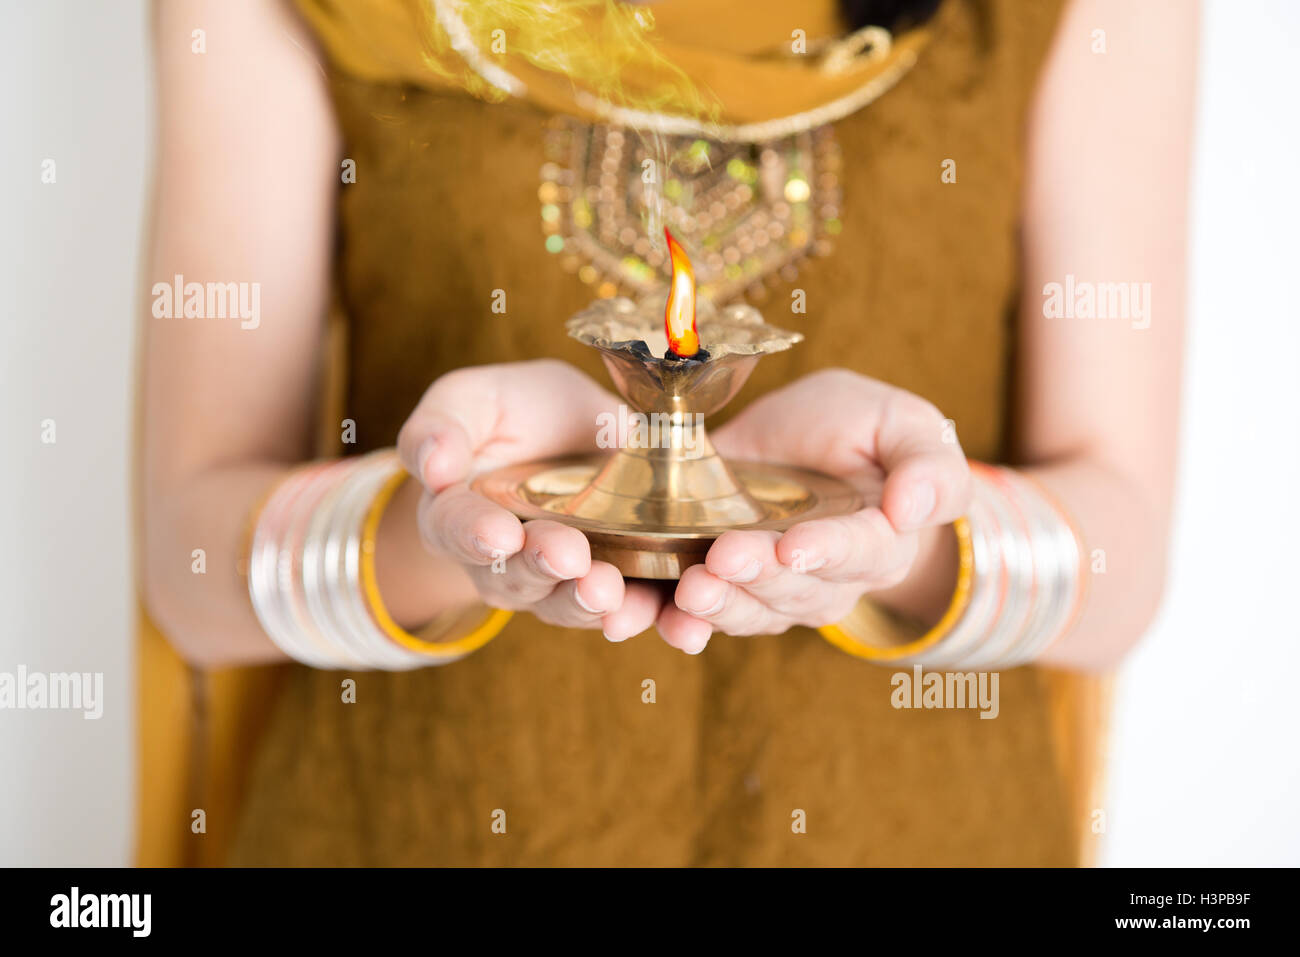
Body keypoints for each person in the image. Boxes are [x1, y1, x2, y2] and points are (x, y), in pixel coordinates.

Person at [138, 0, 1196, 865]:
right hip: (411, 820)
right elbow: (188, 575)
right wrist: (447, 525)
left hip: (918, 831)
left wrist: (897, 537)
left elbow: (1123, 570)